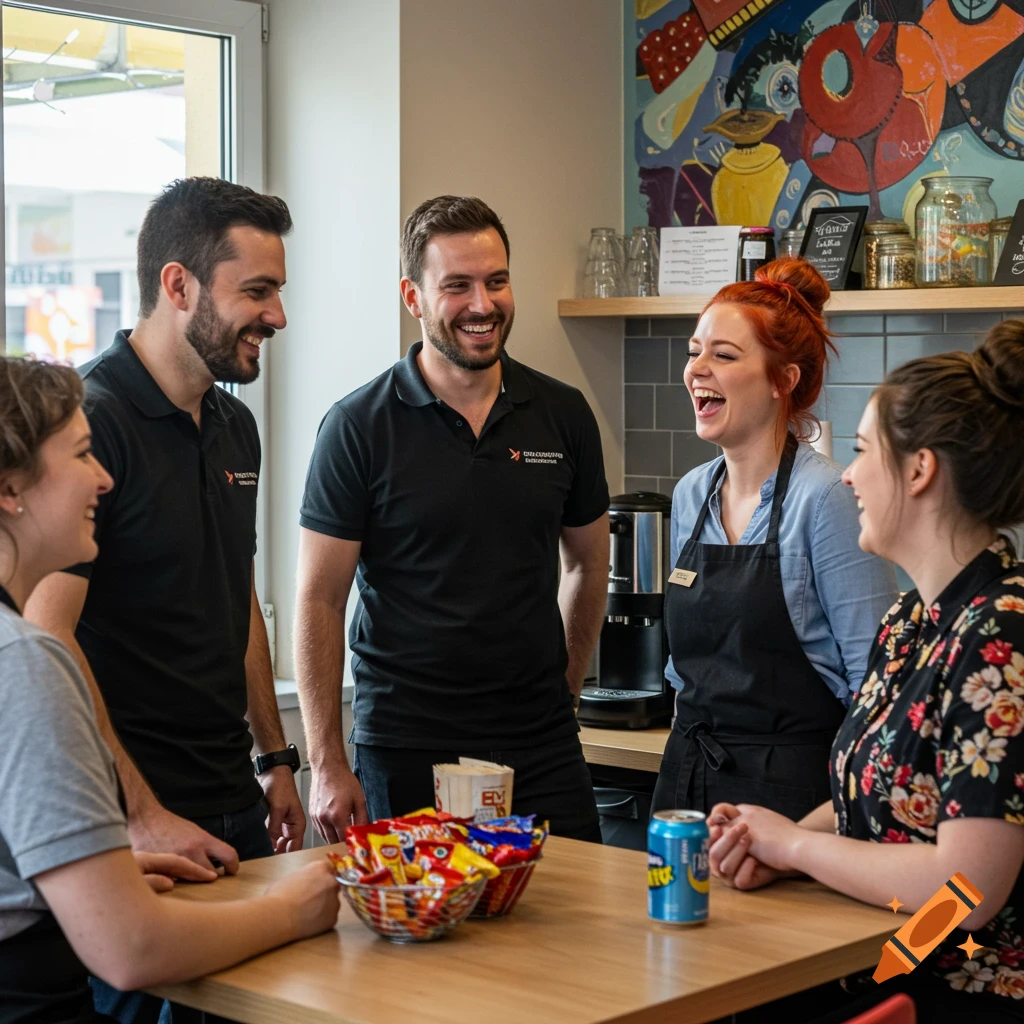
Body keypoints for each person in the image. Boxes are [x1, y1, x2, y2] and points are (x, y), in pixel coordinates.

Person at [24, 178, 305, 1021]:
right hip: (132, 823)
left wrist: (277, 758)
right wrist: (139, 812)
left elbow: (236, 593)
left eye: (279, 290)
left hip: (232, 797)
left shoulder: (234, 424)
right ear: (178, 286)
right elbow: (51, 637)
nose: (278, 316)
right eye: (257, 291)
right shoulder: (88, 424)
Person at [0, 356, 340, 1024]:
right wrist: (290, 911)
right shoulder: (26, 664)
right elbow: (130, 949)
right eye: (81, 455)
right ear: (11, 487)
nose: (103, 478)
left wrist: (90, 881)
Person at [707, 321, 1024, 1023]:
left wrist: (794, 845)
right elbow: (871, 804)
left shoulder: (1002, 632)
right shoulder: (912, 620)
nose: (846, 474)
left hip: (963, 997)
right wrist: (783, 844)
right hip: (877, 964)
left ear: (919, 470)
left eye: (860, 452)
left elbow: (967, 890)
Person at [295, 195, 610, 842]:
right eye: (457, 285)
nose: (482, 304)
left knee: (577, 928)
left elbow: (586, 561)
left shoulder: (563, 413)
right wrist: (325, 761)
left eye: (496, 281)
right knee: (423, 936)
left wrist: (567, 692)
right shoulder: (358, 427)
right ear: (413, 297)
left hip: (541, 743)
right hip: (406, 743)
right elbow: (320, 599)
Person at [652, 258, 898, 820]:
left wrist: (821, 829)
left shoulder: (828, 497)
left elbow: (876, 689)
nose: (697, 370)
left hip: (794, 799)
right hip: (685, 793)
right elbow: (683, 677)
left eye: (724, 355)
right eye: (694, 352)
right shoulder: (691, 494)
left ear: (782, 380)